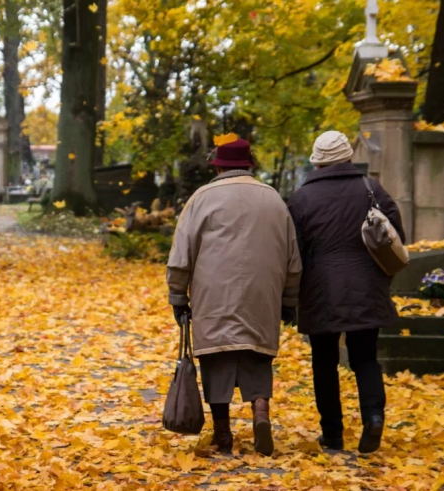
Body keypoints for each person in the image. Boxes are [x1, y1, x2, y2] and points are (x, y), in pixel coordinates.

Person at [167, 138, 302, 456]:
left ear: (219, 167)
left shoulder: (201, 198)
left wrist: (177, 294)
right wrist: (290, 299)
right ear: (249, 165)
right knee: (257, 354)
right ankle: (260, 412)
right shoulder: (272, 199)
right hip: (262, 292)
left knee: (217, 356)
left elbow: (181, 254)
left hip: (215, 293)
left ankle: (223, 433)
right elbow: (292, 257)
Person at [288, 131, 405, 454]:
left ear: (318, 160)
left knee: (324, 362)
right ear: (347, 157)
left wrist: (291, 296)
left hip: (320, 289)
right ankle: (374, 416)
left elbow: (294, 252)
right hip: (367, 285)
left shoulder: (301, 199)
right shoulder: (372, 189)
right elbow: (396, 235)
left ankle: (333, 434)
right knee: (365, 357)